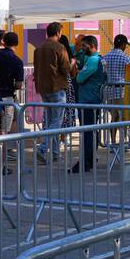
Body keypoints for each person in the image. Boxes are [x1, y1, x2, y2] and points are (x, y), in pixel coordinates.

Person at [33, 23, 75, 162]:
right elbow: (66, 68)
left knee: (51, 121)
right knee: (57, 121)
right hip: (57, 87)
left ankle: (55, 153)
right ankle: (43, 148)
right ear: (58, 33)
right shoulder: (59, 47)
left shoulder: (38, 49)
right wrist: (73, 62)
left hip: (43, 88)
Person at [72, 35, 106, 172]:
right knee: (91, 131)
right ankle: (90, 159)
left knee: (87, 132)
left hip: (88, 100)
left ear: (91, 45)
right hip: (95, 99)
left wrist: (80, 73)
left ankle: (85, 161)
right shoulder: (101, 59)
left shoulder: (92, 60)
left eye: (84, 45)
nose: (82, 48)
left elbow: (79, 78)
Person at [0, 31, 24, 135]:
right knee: (4, 130)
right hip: (7, 97)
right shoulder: (17, 61)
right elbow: (18, 85)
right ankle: (4, 150)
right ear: (17, 43)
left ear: (4, 42)